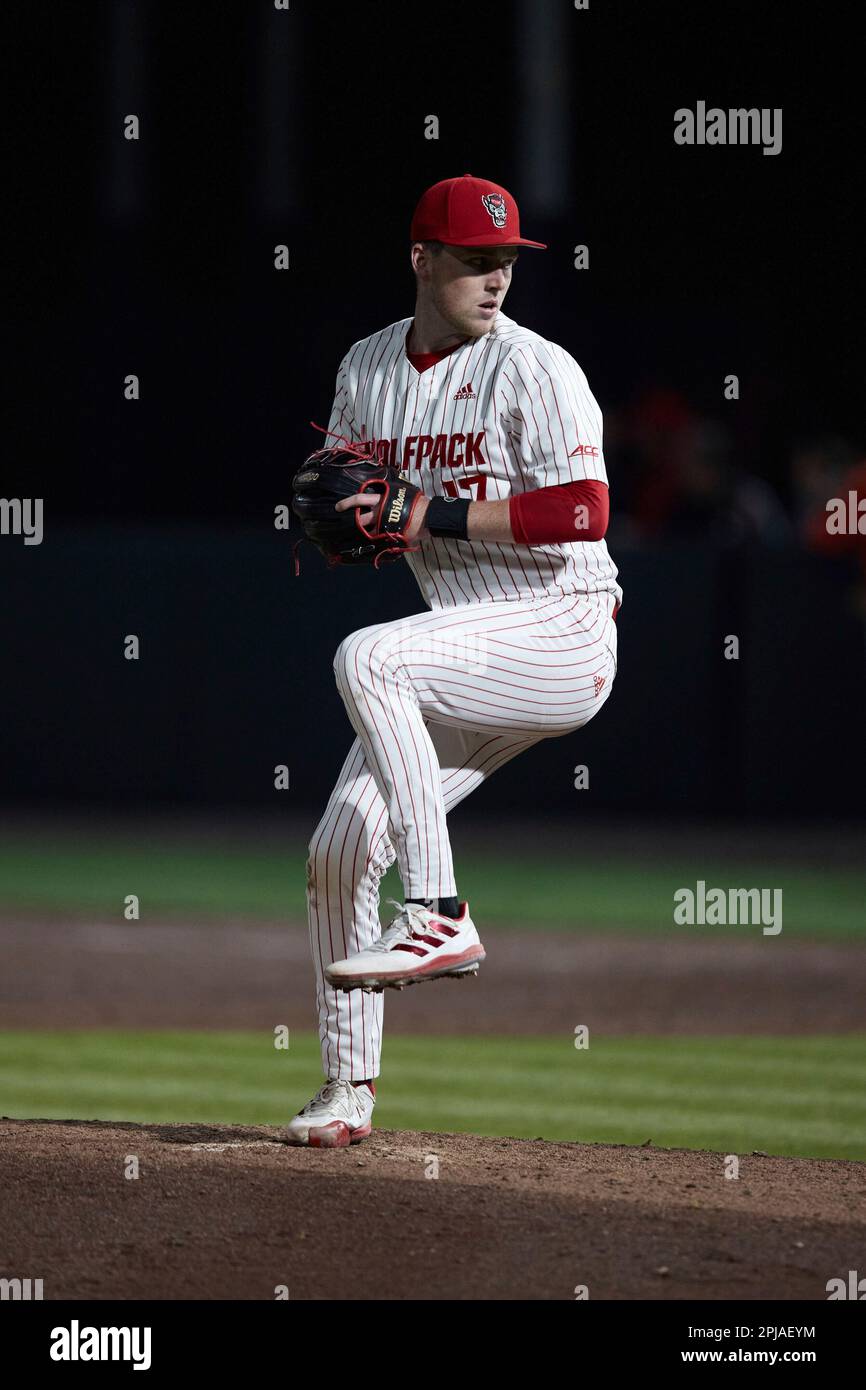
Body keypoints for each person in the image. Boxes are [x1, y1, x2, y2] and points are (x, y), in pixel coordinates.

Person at [286, 174, 622, 1147]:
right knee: (340, 846)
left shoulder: (537, 367)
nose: (494, 277)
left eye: (506, 260)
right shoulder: (368, 365)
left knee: (369, 658)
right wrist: (344, 513)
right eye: (474, 259)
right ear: (420, 259)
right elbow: (344, 493)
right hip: (459, 650)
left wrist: (425, 513)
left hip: (560, 629)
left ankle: (436, 909)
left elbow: (584, 513)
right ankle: (347, 1090)